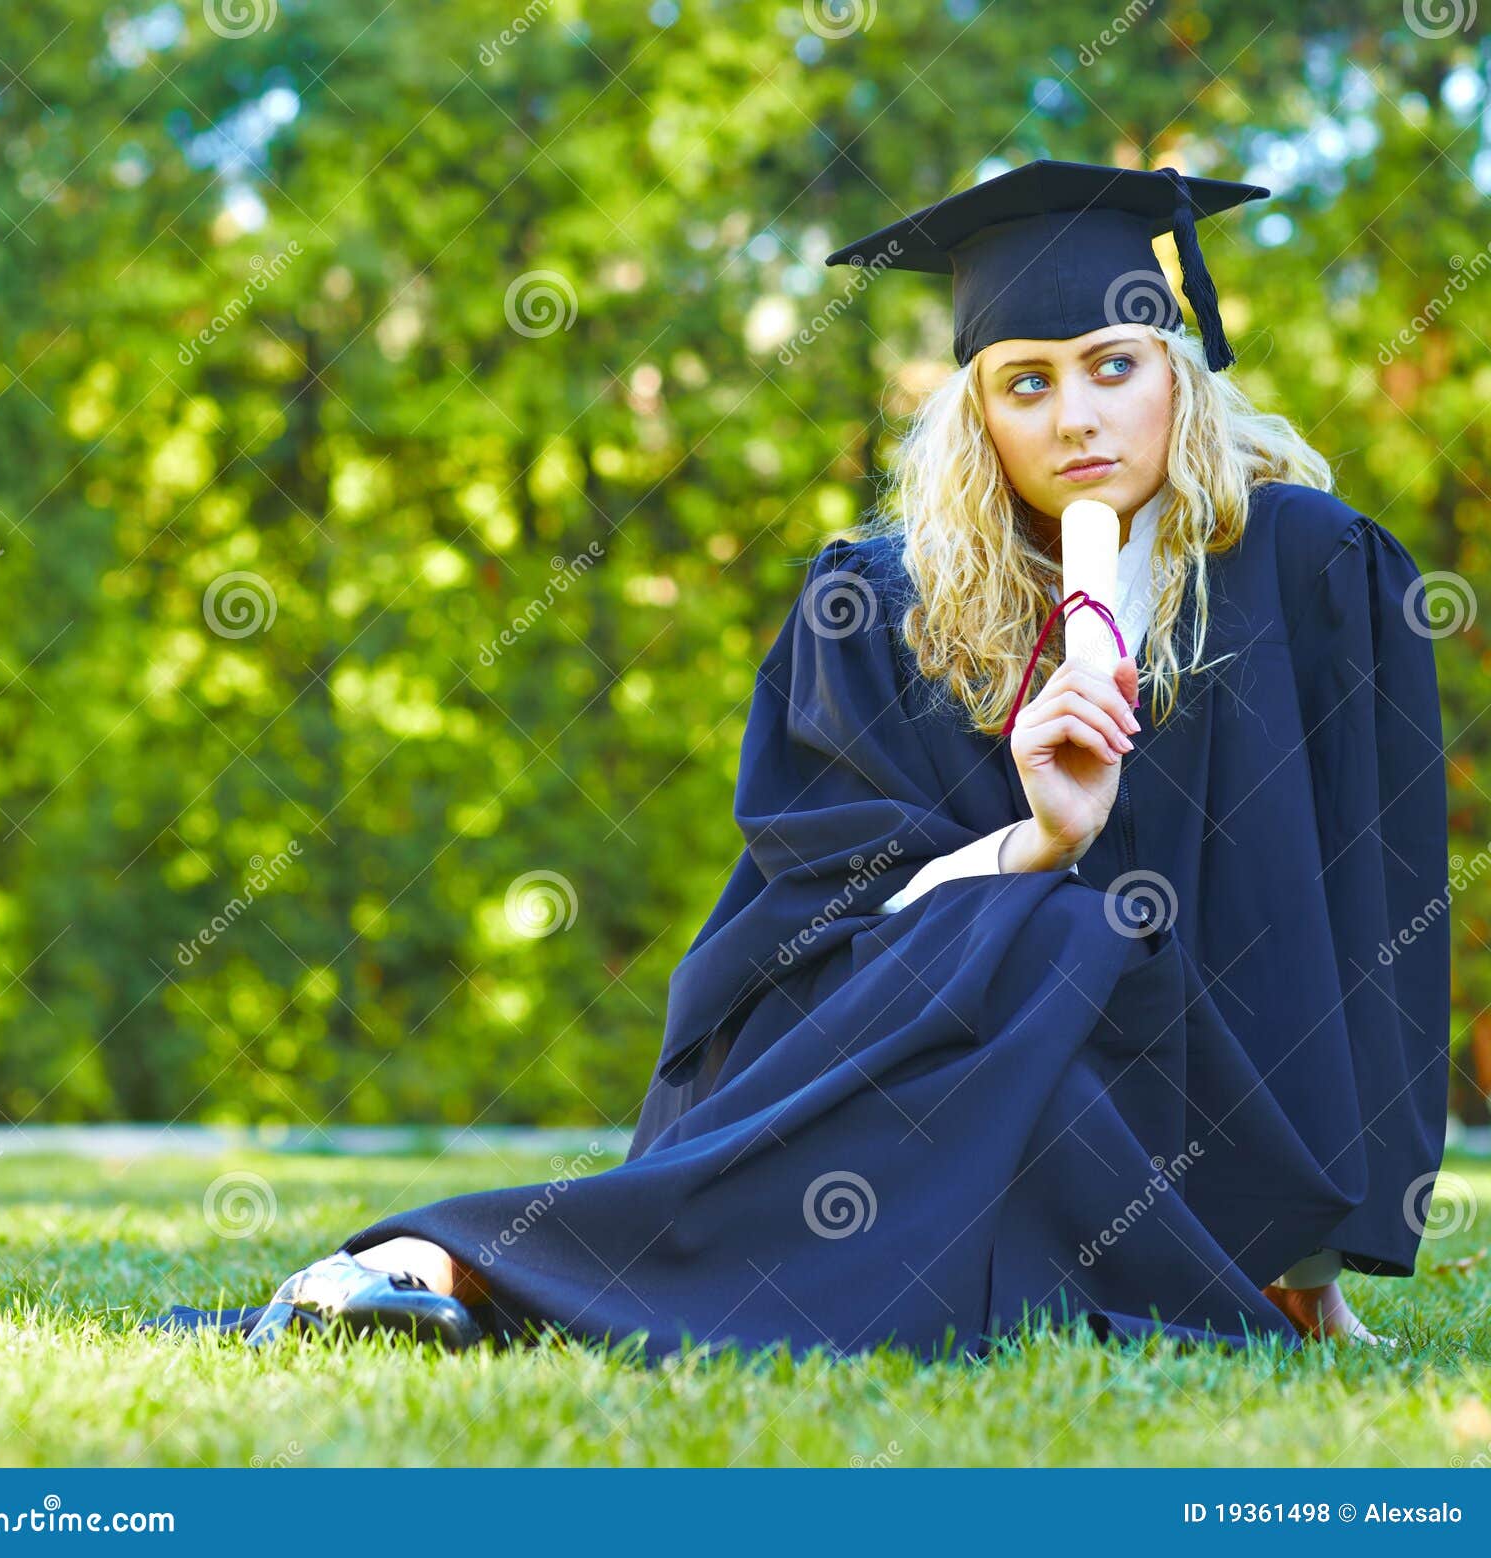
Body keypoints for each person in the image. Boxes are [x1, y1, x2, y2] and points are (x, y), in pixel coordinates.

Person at [148, 160, 1450, 1361]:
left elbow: (1360, 906)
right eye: (1028, 382)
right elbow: (803, 916)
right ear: (976, 413)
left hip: (1153, 1121)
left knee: (1065, 986)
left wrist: (1307, 1242)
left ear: (1179, 369)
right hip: (885, 1072)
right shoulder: (883, 600)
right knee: (1051, 930)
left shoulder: (1305, 569)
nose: (1077, 420)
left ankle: (492, 1270)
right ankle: (456, 1263)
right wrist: (1036, 842)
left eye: (1113, 365)